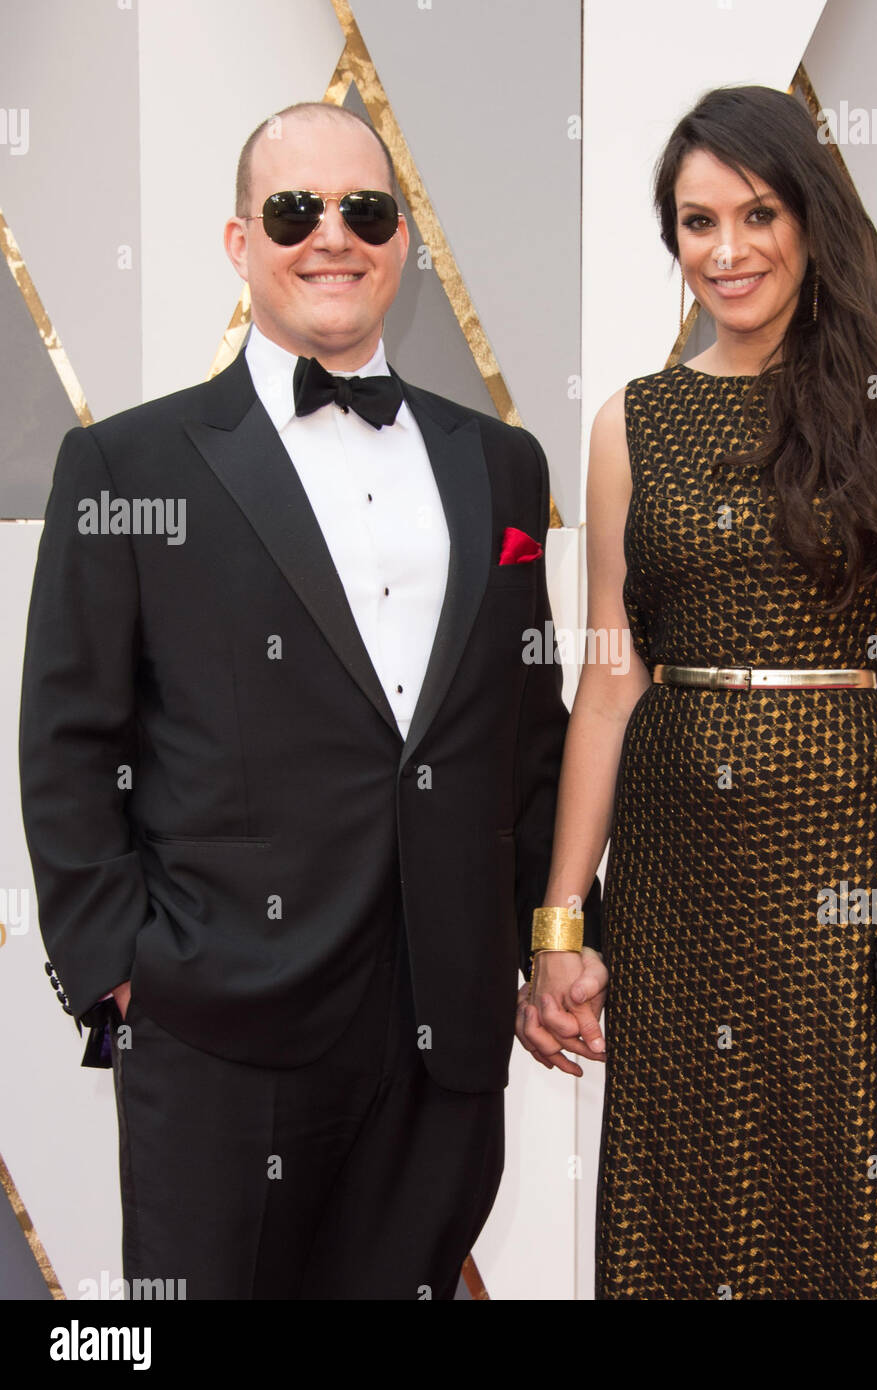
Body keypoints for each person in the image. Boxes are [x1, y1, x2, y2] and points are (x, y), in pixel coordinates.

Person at [19, 100, 599, 1300]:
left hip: (441, 1021)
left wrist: (553, 934)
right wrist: (123, 970)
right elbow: (69, 739)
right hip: (219, 1019)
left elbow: (526, 731)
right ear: (241, 242)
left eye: (366, 210)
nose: (332, 235)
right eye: (295, 210)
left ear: (401, 244)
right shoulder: (129, 464)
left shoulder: (500, 462)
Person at [516, 85, 877, 1299]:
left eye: (757, 213)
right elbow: (607, 681)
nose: (727, 251)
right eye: (696, 223)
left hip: (840, 828)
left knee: (851, 1162)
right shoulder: (630, 421)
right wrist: (561, 921)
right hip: (676, 847)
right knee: (683, 1167)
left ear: (811, 219)